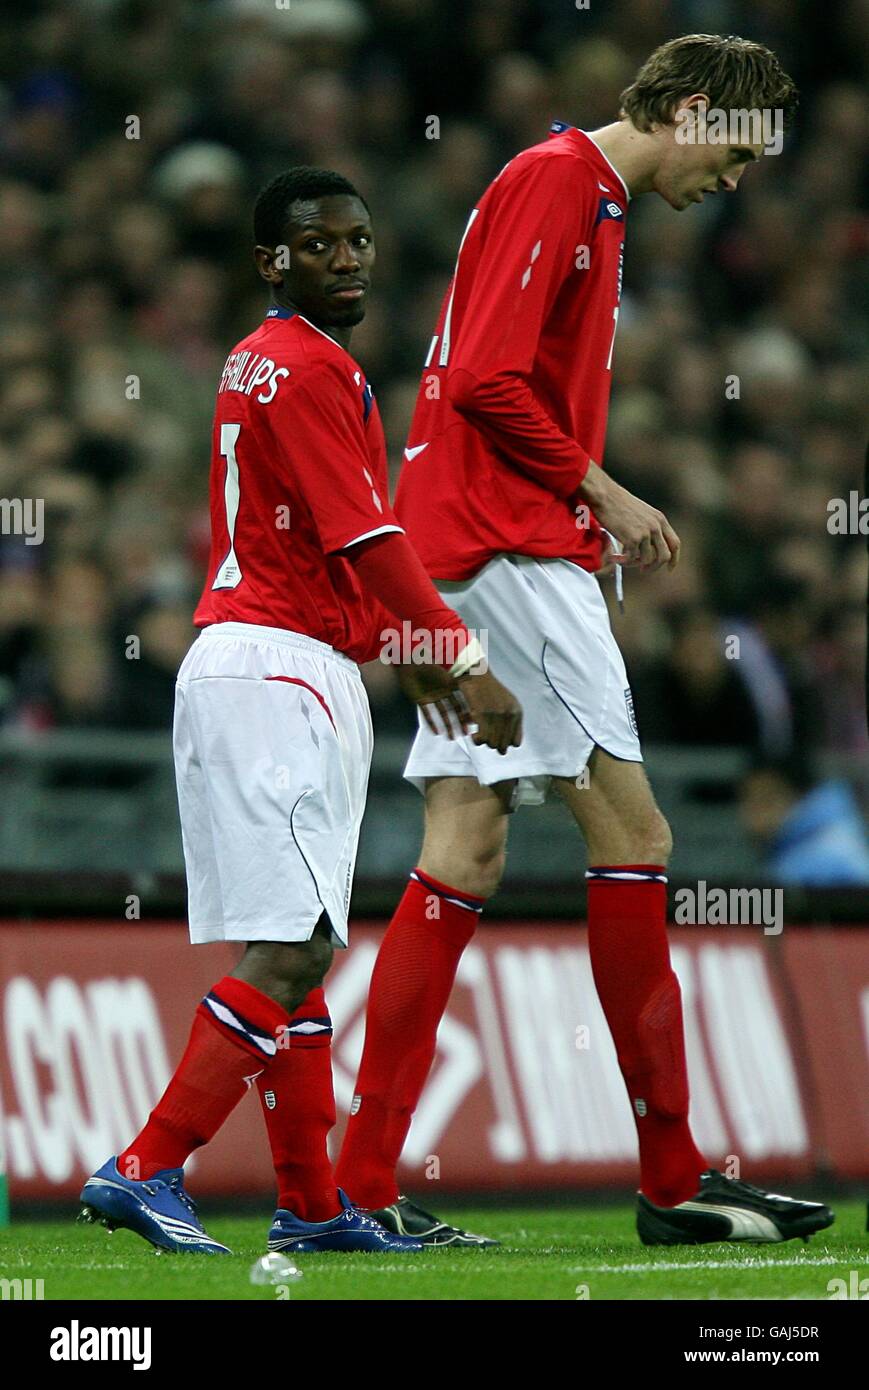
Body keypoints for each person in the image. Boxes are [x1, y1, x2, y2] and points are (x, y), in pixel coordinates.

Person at [335, 35, 835, 1247]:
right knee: (636, 832)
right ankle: (670, 1179)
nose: (736, 181)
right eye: (734, 153)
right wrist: (599, 492)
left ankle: (353, 1186)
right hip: (505, 546)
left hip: (471, 537)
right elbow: (487, 383)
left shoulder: (584, 196)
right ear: (689, 109)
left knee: (463, 845)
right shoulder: (562, 179)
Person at [79, 166, 521, 1255]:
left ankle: (313, 1204)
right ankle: (144, 1164)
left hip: (273, 662)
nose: (347, 258)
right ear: (269, 260)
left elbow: (311, 547)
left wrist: (400, 649)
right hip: (275, 675)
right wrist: (458, 656)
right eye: (318, 244)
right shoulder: (307, 366)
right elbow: (363, 540)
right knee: (286, 950)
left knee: (303, 943)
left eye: (358, 240)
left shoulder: (261, 361)